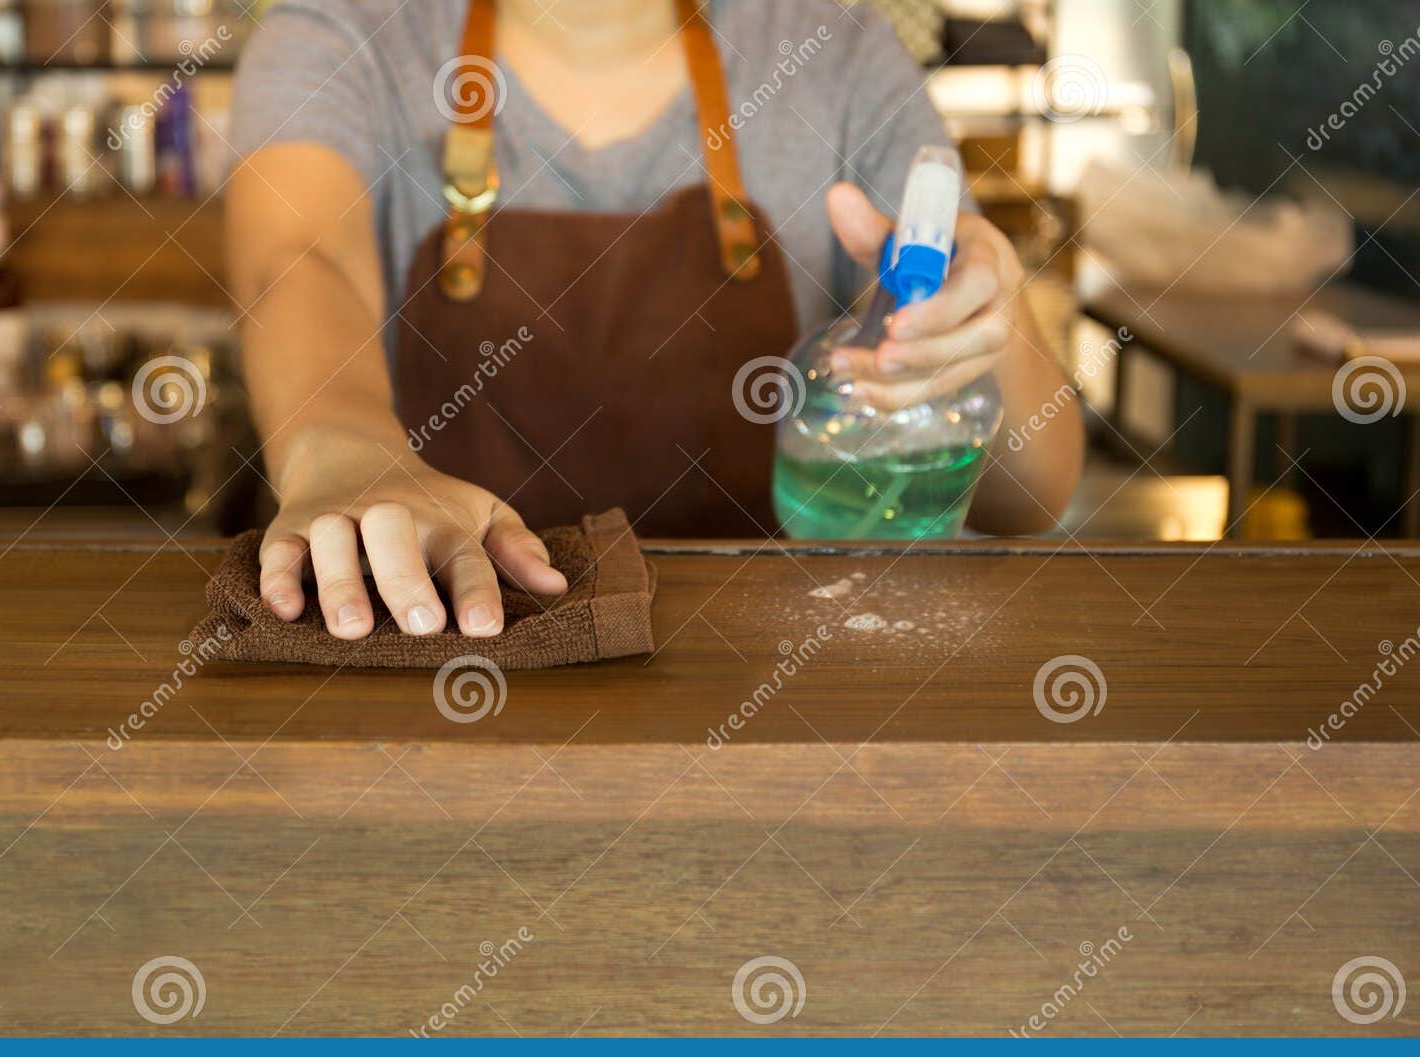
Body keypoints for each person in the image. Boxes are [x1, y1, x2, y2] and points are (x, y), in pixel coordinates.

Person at [226, 0, 1084, 641]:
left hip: (777, 689)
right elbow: (301, 262)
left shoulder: (838, 45)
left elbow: (1032, 496)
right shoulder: (342, 31)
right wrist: (340, 447)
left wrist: (975, 330)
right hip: (434, 661)